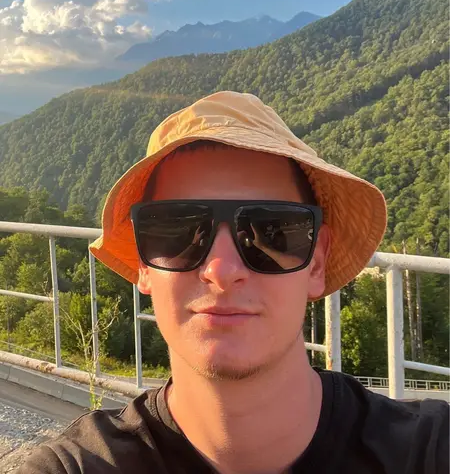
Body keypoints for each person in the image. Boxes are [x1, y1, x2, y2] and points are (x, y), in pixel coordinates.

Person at [20, 91, 449, 474]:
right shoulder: (75, 468)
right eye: (176, 230)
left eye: (271, 231)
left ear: (316, 263)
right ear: (144, 265)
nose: (221, 269)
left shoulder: (431, 451)